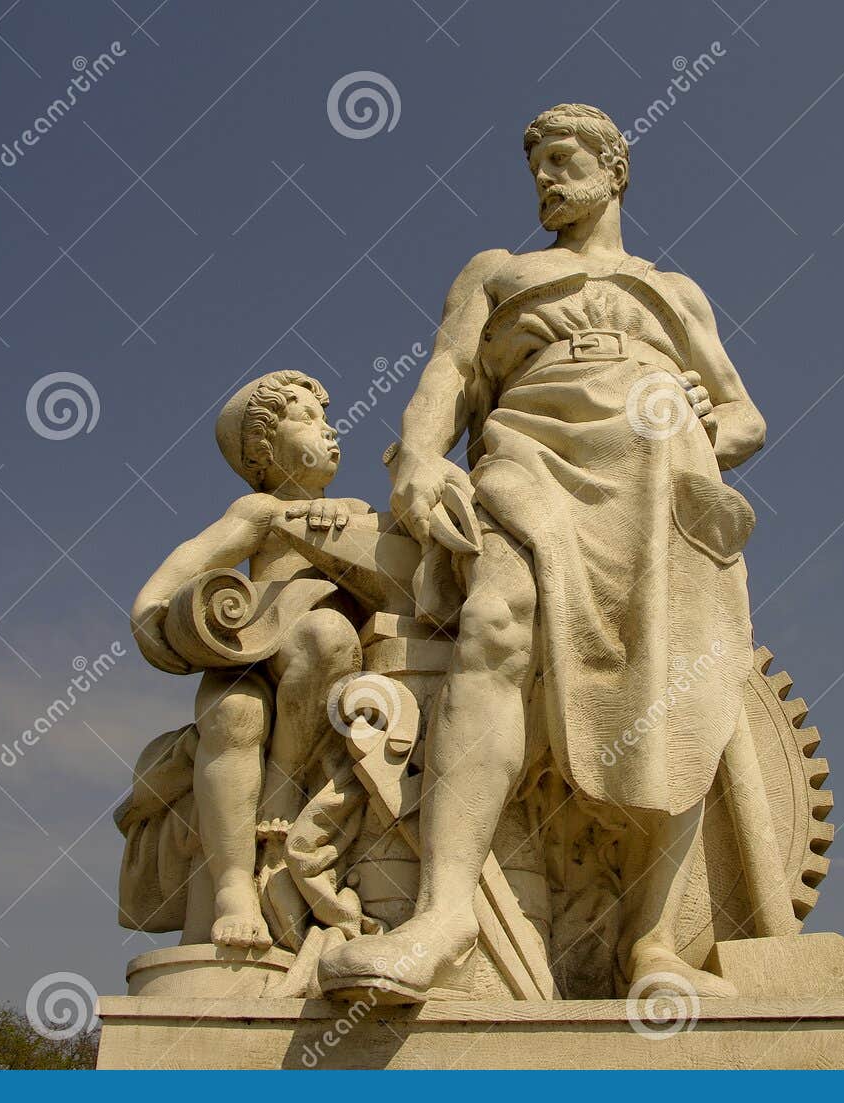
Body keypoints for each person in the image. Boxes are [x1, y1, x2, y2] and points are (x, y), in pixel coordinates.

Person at [319, 105, 767, 1001]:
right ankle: (444, 917)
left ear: (614, 168)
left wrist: (705, 426)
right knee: (493, 624)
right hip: (530, 452)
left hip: (661, 471)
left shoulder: (674, 292)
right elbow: (447, 373)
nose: (546, 183)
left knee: (678, 677)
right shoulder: (499, 272)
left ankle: (652, 945)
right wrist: (418, 457)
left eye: (563, 162)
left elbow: (746, 414)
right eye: (537, 170)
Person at [131, 370, 367, 949]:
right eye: (307, 417)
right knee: (233, 714)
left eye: (327, 417)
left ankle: (282, 791)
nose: (329, 429)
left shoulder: (357, 511)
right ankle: (234, 885)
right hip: (245, 651)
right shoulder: (260, 510)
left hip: (320, 664)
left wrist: (351, 540)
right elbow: (197, 555)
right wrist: (151, 607)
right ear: (262, 446)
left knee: (329, 633)